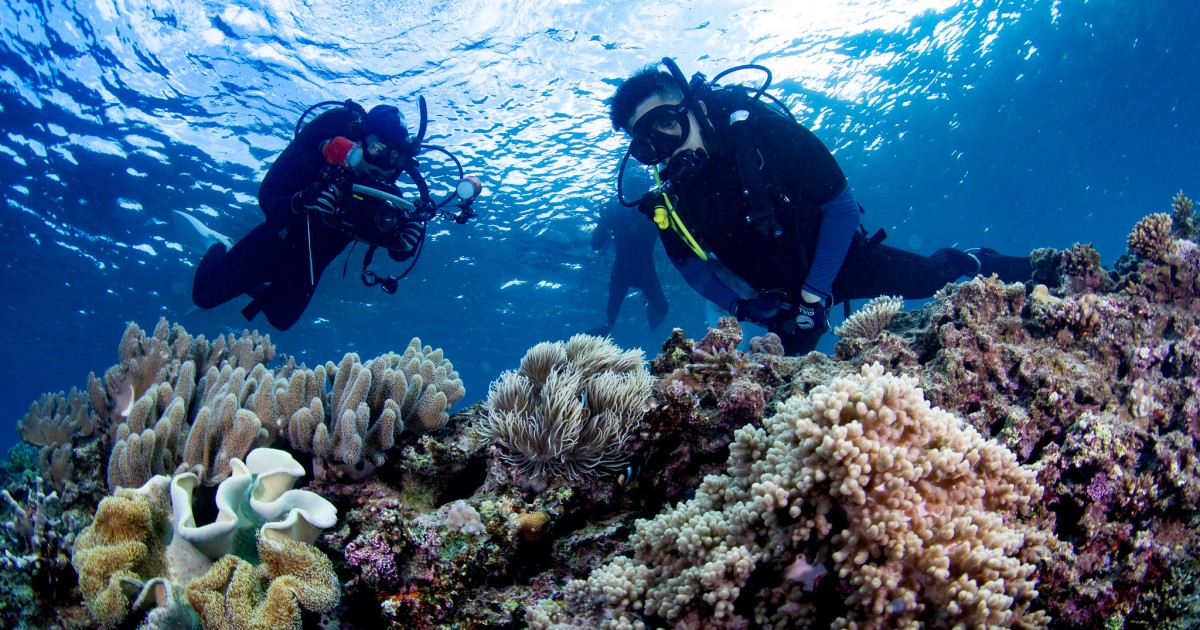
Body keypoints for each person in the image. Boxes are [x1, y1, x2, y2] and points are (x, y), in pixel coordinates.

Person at [608, 58, 1032, 355]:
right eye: (647, 144)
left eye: (667, 123)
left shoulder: (765, 135)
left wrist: (816, 293)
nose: (664, 147)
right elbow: (689, 265)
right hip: (776, 300)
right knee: (777, 377)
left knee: (938, 279)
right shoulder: (669, 198)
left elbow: (842, 207)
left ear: (696, 108)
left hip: (837, 263)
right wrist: (741, 307)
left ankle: (981, 261)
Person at [192, 99, 479, 330]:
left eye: (393, 158)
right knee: (204, 296)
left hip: (311, 261)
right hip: (278, 238)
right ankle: (216, 246)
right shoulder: (320, 161)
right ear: (361, 139)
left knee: (281, 320)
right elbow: (270, 201)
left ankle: (250, 281)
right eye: (378, 148)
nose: (383, 165)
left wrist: (406, 241)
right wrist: (304, 199)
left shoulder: (386, 196)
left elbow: (393, 247)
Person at [587, 197, 669, 336]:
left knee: (663, 309)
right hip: (628, 271)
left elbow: (668, 238)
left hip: (639, 271)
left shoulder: (654, 208)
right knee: (611, 317)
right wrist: (605, 221)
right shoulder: (615, 211)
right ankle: (610, 325)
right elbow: (596, 244)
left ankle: (645, 302)